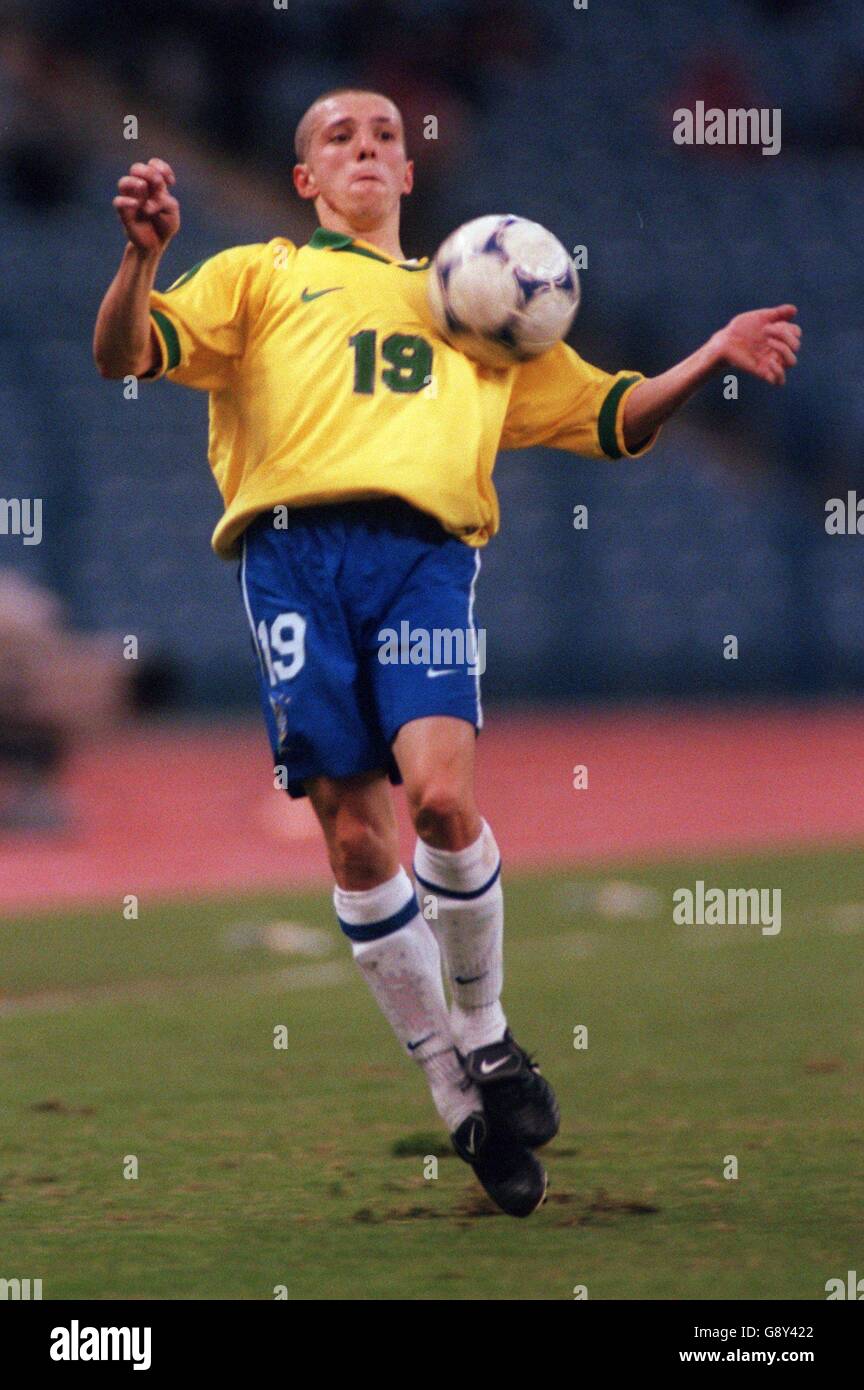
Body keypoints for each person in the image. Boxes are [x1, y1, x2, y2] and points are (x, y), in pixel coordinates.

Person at [93, 87, 801, 1218]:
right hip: (290, 559)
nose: (367, 147)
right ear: (306, 180)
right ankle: (453, 1090)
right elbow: (124, 352)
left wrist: (710, 355)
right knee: (354, 834)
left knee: (435, 803)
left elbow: (617, 418)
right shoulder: (258, 275)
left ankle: (484, 1036)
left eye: (385, 136)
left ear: (409, 177)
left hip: (424, 556)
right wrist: (141, 261)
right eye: (340, 136)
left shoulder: (480, 302)